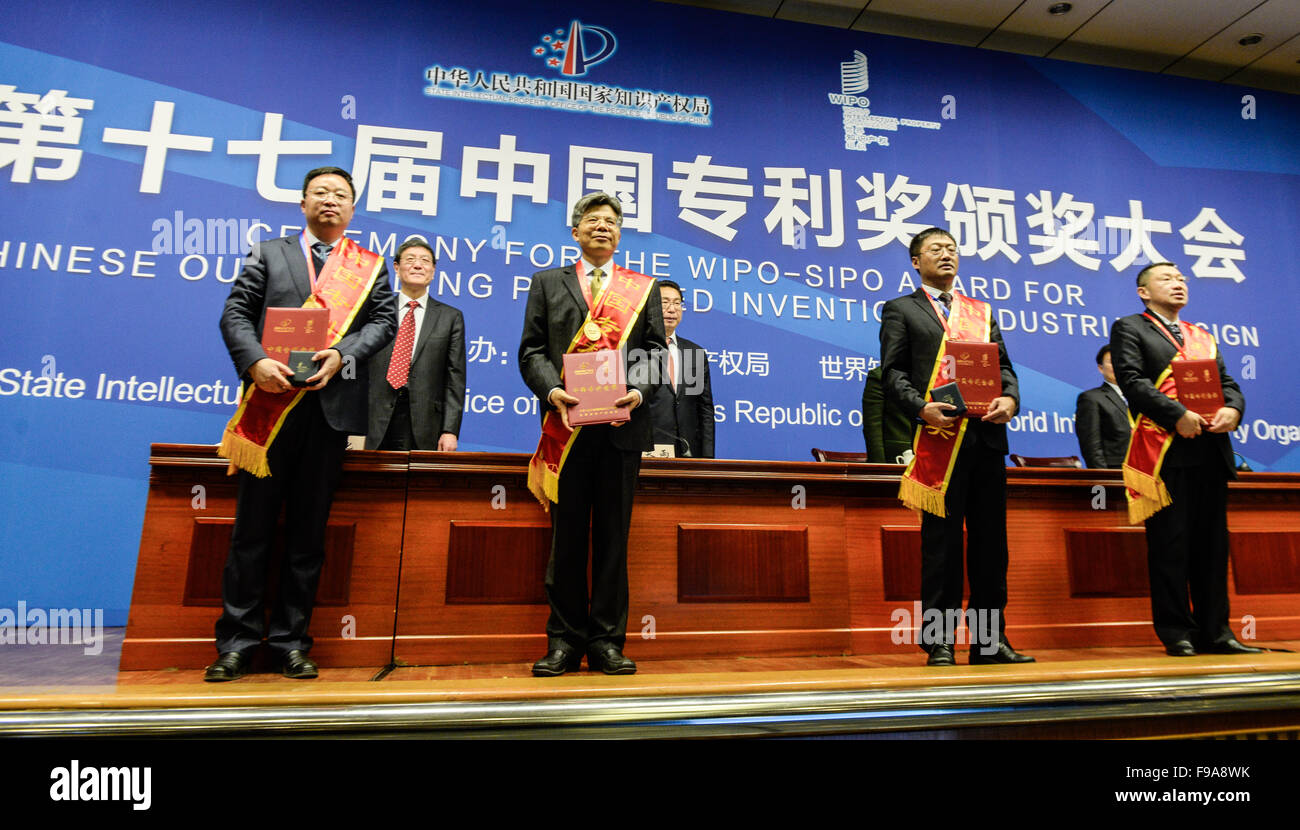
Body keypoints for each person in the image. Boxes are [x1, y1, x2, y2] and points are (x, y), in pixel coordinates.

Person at [207, 167, 396, 681]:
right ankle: (238, 643)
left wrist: (342, 352)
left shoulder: (370, 266)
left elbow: (384, 320)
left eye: (340, 195)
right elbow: (235, 314)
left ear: (353, 209)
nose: (330, 201)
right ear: (302, 202)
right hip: (270, 408)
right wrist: (254, 362)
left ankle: (292, 642)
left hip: (328, 413)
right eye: (321, 193)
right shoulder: (269, 252)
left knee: (308, 535)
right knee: (251, 533)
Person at [518, 192, 667, 676]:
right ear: (575, 232)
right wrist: (553, 390)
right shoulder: (547, 282)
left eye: (610, 222)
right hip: (568, 427)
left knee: (611, 539)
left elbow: (654, 354)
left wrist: (638, 393)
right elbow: (532, 351)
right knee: (566, 539)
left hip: (621, 430)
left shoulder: (640, 290)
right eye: (592, 221)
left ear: (619, 234)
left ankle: (606, 641)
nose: (602, 227)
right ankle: (563, 641)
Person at [879, 227, 1033, 666]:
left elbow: (1004, 367)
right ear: (916, 261)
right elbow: (893, 374)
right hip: (939, 441)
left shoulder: (979, 312)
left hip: (986, 440)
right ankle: (940, 641)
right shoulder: (901, 310)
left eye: (951, 249)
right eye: (935, 250)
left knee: (990, 547)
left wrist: (1010, 399)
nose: (946, 255)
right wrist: (920, 408)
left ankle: (988, 642)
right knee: (942, 548)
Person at [1109, 261, 1259, 657]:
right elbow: (1133, 381)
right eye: (1167, 279)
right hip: (1165, 455)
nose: (1178, 284)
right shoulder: (1130, 327)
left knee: (1212, 548)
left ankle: (1218, 632)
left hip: (1209, 451)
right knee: (1170, 546)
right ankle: (1177, 631)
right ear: (1143, 291)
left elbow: (1228, 384)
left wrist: (1233, 410)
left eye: (1181, 279)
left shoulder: (1201, 336)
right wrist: (1177, 415)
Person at [366, 239, 466, 451]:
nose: (418, 265)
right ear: (396, 267)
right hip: (372, 419)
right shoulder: (375, 311)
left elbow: (455, 379)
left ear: (433, 270)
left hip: (424, 422)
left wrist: (450, 431)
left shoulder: (450, 317)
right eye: (410, 259)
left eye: (425, 261)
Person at [646, 279, 714, 458]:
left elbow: (705, 409)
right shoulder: (638, 349)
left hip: (688, 451)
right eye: (665, 302)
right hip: (648, 450)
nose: (672, 309)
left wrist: (707, 458)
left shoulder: (695, 352)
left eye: (677, 303)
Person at [1074, 345, 1131, 468]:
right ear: (1101, 368)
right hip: (1115, 474)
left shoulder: (1141, 397)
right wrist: (1104, 481)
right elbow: (1091, 448)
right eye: (1111, 361)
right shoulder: (1091, 398)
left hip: (1146, 475)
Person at [861, 365, 913, 464]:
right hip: (898, 461)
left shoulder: (939, 376)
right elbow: (873, 428)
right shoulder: (880, 375)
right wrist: (879, 470)